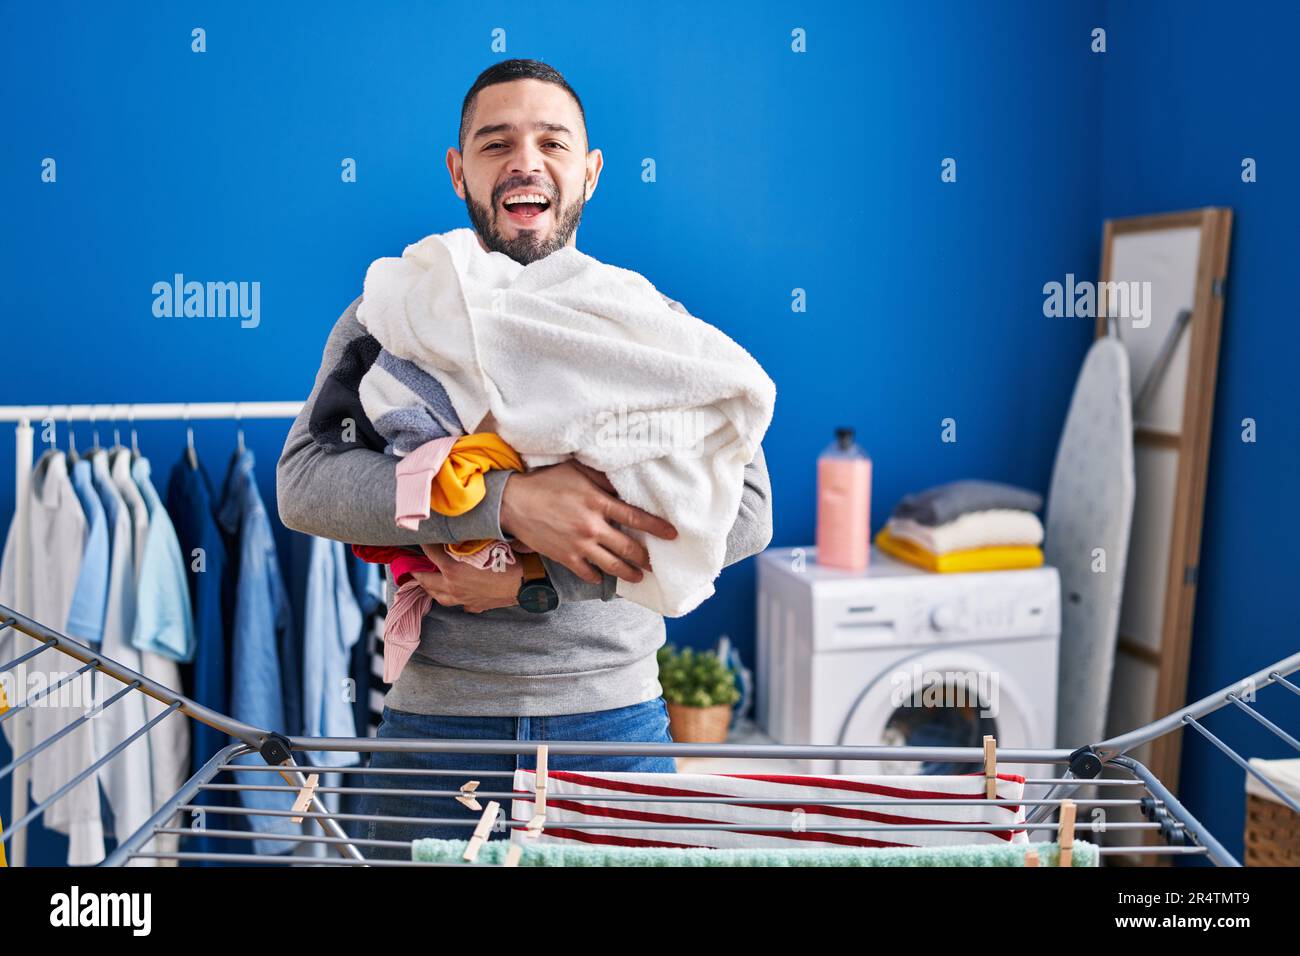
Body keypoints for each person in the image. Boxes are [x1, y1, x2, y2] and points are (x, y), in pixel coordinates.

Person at [275, 58, 773, 859]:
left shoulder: (648, 325)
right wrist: (505, 502)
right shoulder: (394, 312)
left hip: (614, 729)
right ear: (458, 170)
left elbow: (746, 512)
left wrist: (537, 579)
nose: (525, 161)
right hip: (437, 735)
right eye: (495, 142)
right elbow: (305, 485)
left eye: (552, 141)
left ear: (590, 171)